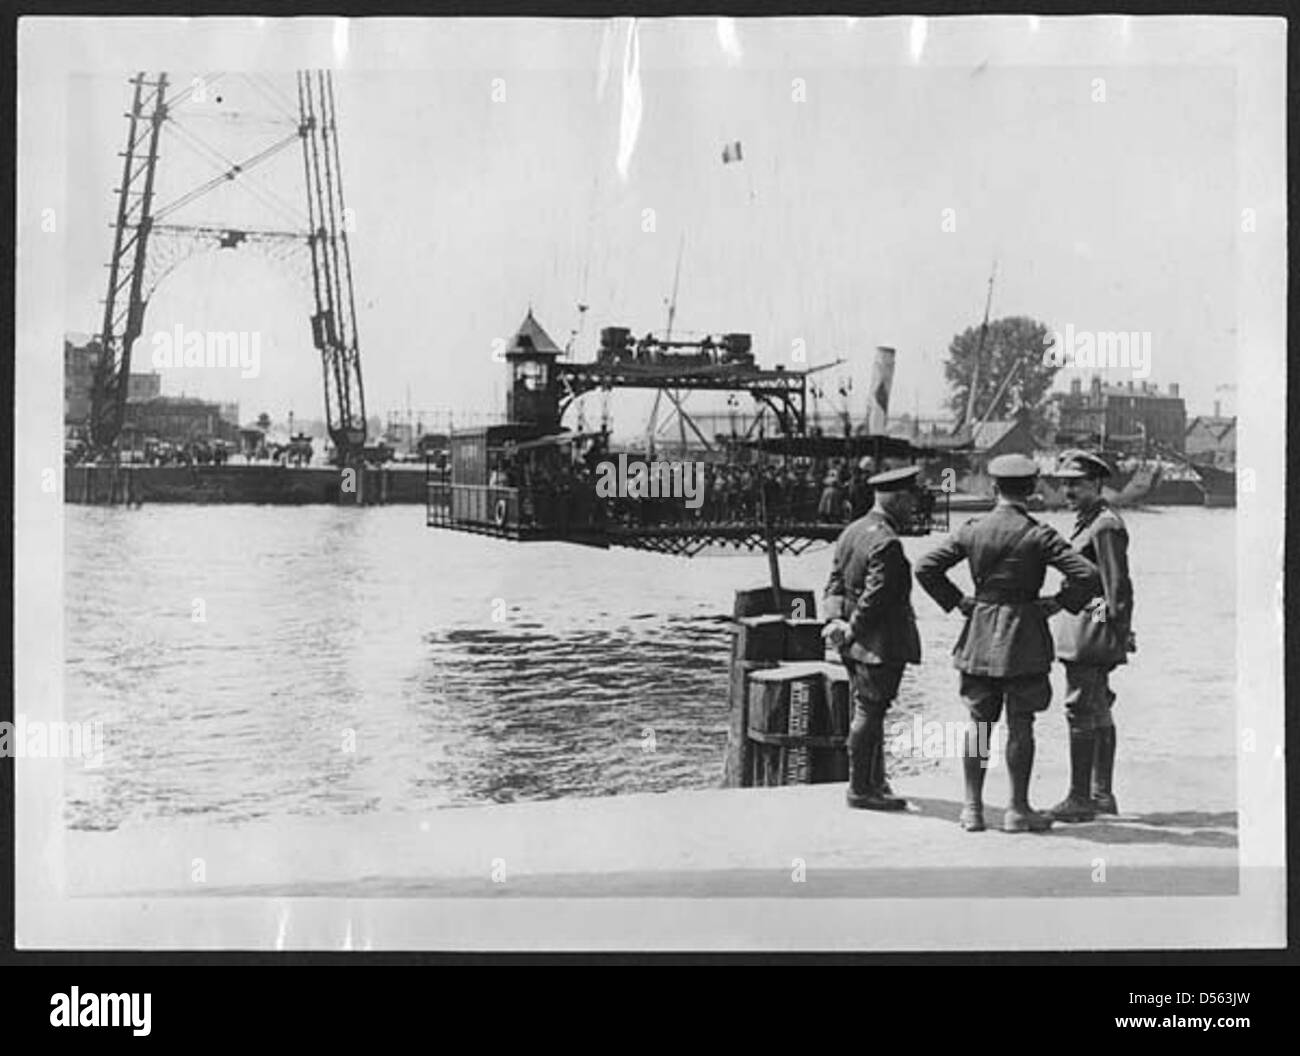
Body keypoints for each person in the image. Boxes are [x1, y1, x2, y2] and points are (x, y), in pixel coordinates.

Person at [915, 454, 1100, 833]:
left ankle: (972, 809)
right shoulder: (1040, 533)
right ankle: (1017, 810)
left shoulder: (972, 529)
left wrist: (959, 602)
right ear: (1031, 489)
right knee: (1021, 724)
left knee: (979, 723)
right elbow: (1089, 575)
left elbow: (925, 567)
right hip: (1024, 637)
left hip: (979, 634)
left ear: (994, 487)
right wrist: (1056, 604)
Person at [821, 466, 925, 811]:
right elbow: (875, 596)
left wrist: (835, 621)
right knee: (870, 712)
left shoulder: (852, 531)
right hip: (879, 644)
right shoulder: (887, 542)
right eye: (910, 500)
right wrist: (854, 627)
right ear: (896, 498)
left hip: (853, 644)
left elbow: (834, 581)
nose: (913, 507)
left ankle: (874, 781)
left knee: (869, 710)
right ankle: (862, 789)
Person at [1047, 450, 1135, 821]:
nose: (1068, 490)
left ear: (1097, 484)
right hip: (1089, 624)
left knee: (1082, 707)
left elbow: (1116, 586)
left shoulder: (1104, 525)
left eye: (1077, 483)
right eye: (1065, 483)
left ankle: (1081, 798)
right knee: (1097, 706)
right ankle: (1101, 795)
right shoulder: (1089, 522)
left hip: (1090, 630)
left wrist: (1111, 626)